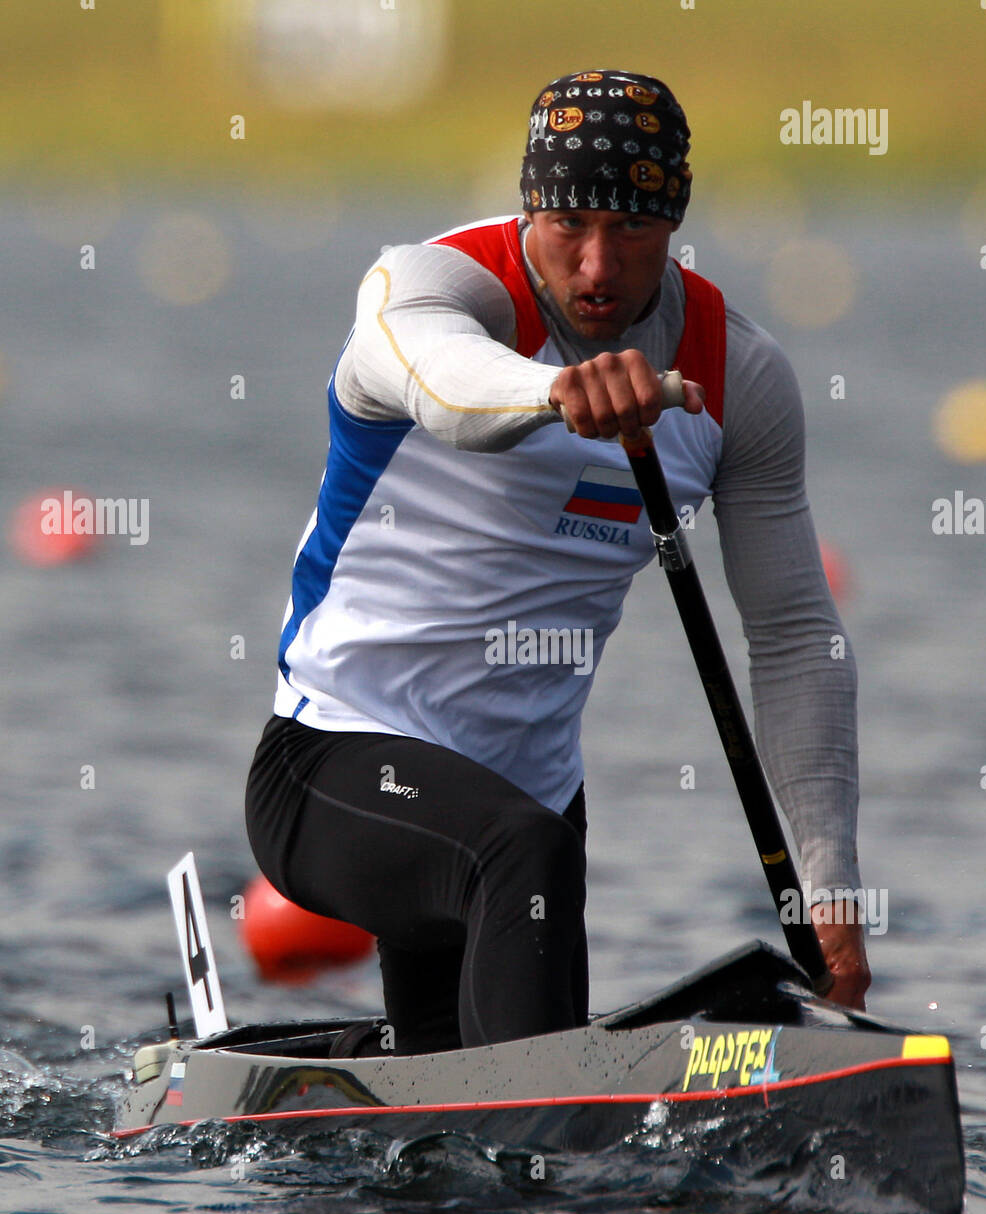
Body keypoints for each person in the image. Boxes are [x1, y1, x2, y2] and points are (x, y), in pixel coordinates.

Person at [245, 69, 870, 1055]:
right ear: (527, 204)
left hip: (530, 798)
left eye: (631, 230)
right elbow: (450, 390)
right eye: (568, 223)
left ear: (675, 219)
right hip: (332, 761)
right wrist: (556, 390)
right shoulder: (427, 288)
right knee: (517, 858)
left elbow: (793, 639)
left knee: (457, 1083)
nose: (595, 266)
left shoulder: (738, 376)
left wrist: (828, 886)